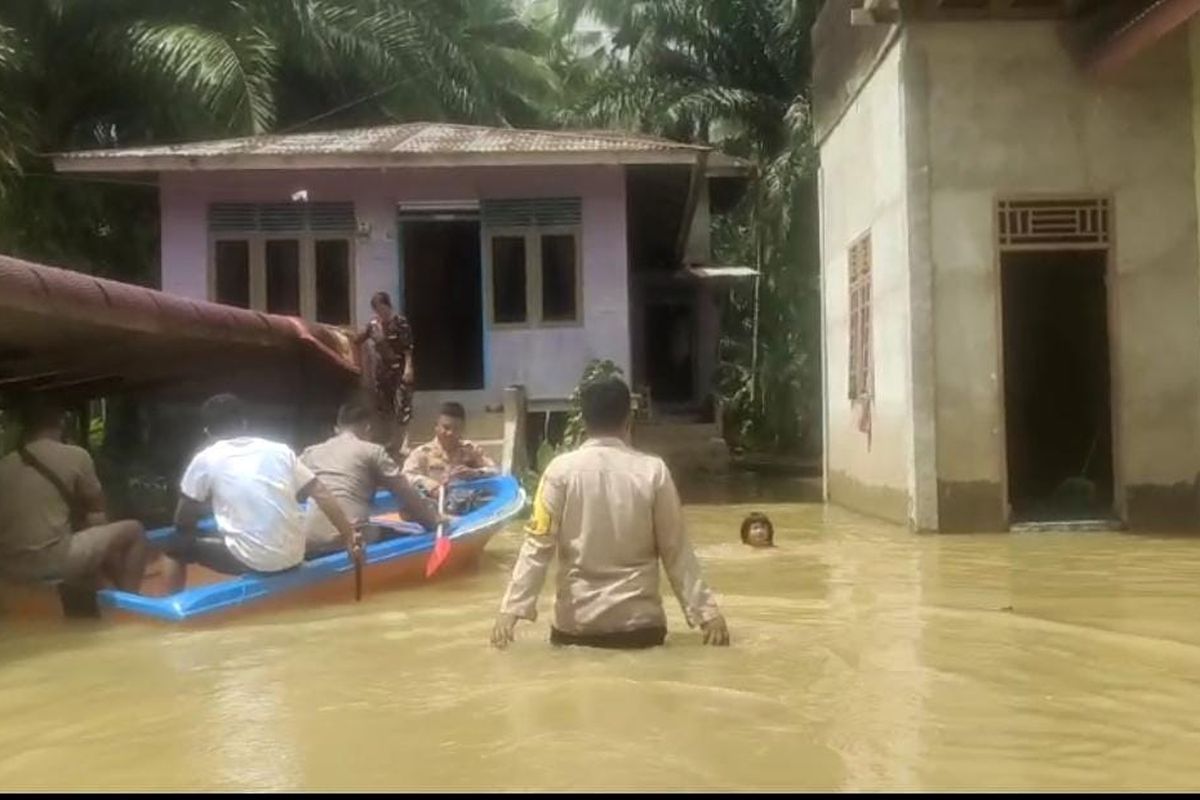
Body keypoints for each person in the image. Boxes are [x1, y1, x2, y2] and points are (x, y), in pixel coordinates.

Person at [491, 376, 729, 650]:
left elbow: (537, 544)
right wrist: (706, 613)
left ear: (584, 420)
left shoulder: (559, 471)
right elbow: (676, 550)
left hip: (576, 630)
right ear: (629, 419)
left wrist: (511, 610)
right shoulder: (653, 471)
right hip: (640, 630)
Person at [163, 394, 361, 592]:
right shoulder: (279, 450)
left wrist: (188, 527)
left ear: (208, 432)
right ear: (245, 422)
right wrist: (349, 536)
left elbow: (182, 518)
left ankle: (171, 606)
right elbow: (321, 492)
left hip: (255, 562)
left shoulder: (206, 459)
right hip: (294, 555)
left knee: (174, 548)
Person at [0, 403, 146, 612]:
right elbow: (97, 513)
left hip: (8, 567)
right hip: (51, 562)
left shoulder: (4, 464)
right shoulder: (76, 455)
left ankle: (84, 609)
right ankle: (131, 608)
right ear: (60, 423)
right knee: (134, 531)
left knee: (84, 548)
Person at [300, 400, 441, 557]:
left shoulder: (310, 453)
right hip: (351, 539)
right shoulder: (372, 451)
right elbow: (405, 493)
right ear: (367, 428)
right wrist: (434, 522)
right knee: (406, 531)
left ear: (338, 429)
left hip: (309, 541)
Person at [403, 402, 498, 512]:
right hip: (433, 508)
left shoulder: (471, 450)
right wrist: (430, 485)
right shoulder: (422, 453)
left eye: (456, 429)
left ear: (462, 429)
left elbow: (495, 471)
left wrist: (474, 473)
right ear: (436, 427)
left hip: (468, 508)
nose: (450, 433)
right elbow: (406, 476)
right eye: (446, 427)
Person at [354, 291, 415, 456]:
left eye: (383, 308)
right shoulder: (374, 325)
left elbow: (408, 348)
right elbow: (357, 339)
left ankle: (404, 442)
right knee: (385, 407)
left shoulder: (400, 322)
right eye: (377, 309)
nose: (381, 312)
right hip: (383, 372)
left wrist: (409, 369)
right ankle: (391, 441)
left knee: (403, 406)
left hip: (400, 368)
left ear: (389, 306)